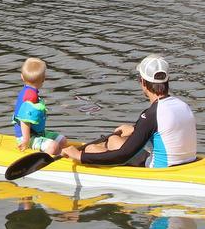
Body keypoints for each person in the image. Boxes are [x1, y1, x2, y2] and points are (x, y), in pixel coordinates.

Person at [61, 55, 196, 168]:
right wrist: (134, 129)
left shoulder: (151, 114)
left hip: (159, 171)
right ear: (167, 81)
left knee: (91, 149)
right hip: (186, 164)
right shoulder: (183, 105)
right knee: (114, 139)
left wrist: (79, 155)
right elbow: (160, 129)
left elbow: (122, 156)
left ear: (143, 82)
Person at [13, 57, 66, 157]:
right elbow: (25, 120)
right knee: (54, 146)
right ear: (43, 79)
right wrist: (26, 140)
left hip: (38, 133)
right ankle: (42, 161)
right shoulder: (30, 96)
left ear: (22, 77)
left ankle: (57, 153)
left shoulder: (31, 93)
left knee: (62, 140)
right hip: (27, 137)